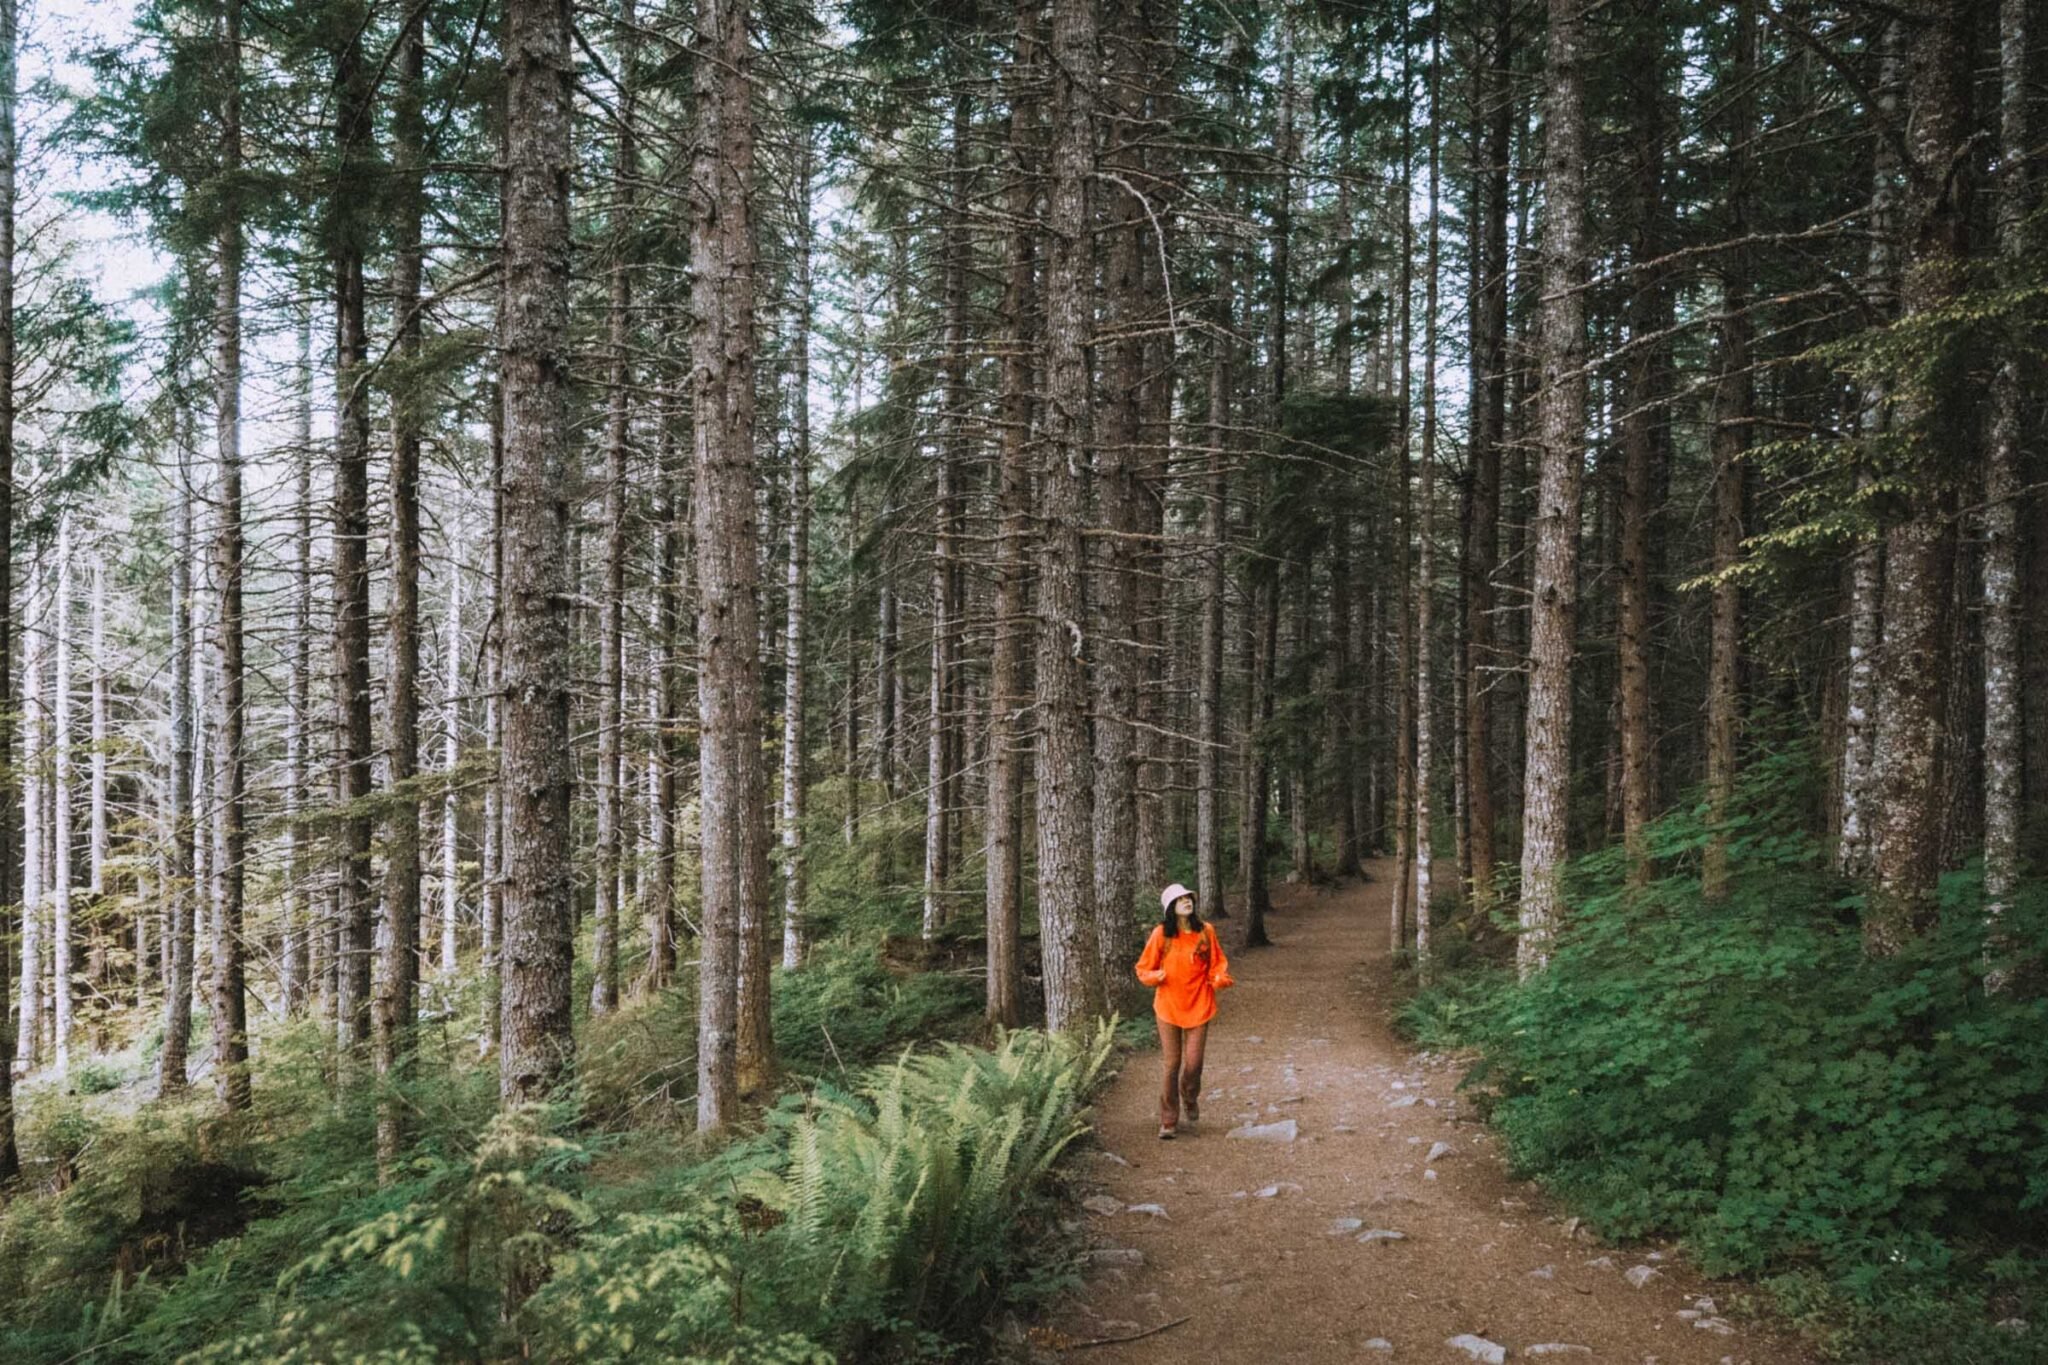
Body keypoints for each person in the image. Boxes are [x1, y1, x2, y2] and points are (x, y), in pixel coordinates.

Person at [1134, 882, 1233, 1139]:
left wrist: (1219, 977)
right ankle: (1168, 1121)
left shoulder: (1206, 931)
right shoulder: (1161, 935)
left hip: (1199, 1004)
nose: (1187, 902)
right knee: (1171, 1064)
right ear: (1171, 908)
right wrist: (1156, 976)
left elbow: (1217, 963)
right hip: (1168, 1006)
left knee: (1193, 1063)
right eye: (1180, 900)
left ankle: (1189, 1097)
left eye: (1188, 898)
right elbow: (1143, 968)